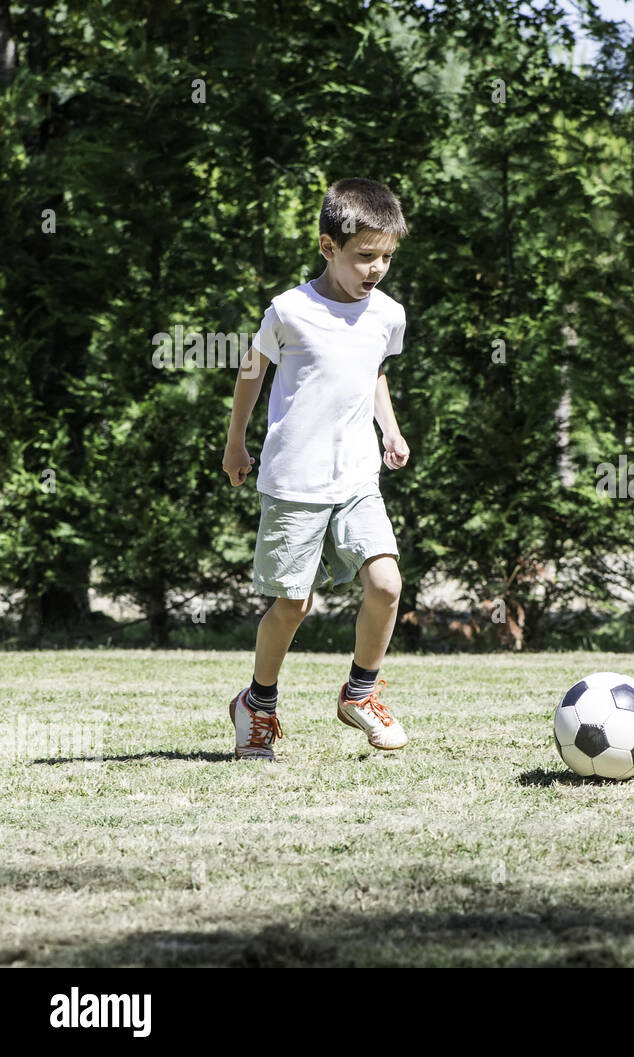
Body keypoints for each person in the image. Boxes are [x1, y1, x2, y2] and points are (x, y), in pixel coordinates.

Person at [221, 177, 410, 761]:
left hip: (356, 477)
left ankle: (361, 692)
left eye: (385, 257)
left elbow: (372, 370)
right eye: (364, 256)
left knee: (386, 583)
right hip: (296, 482)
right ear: (329, 247)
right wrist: (236, 443)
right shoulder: (290, 310)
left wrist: (391, 428)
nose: (375, 268)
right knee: (294, 605)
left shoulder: (388, 314)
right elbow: (252, 370)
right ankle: (257, 702)